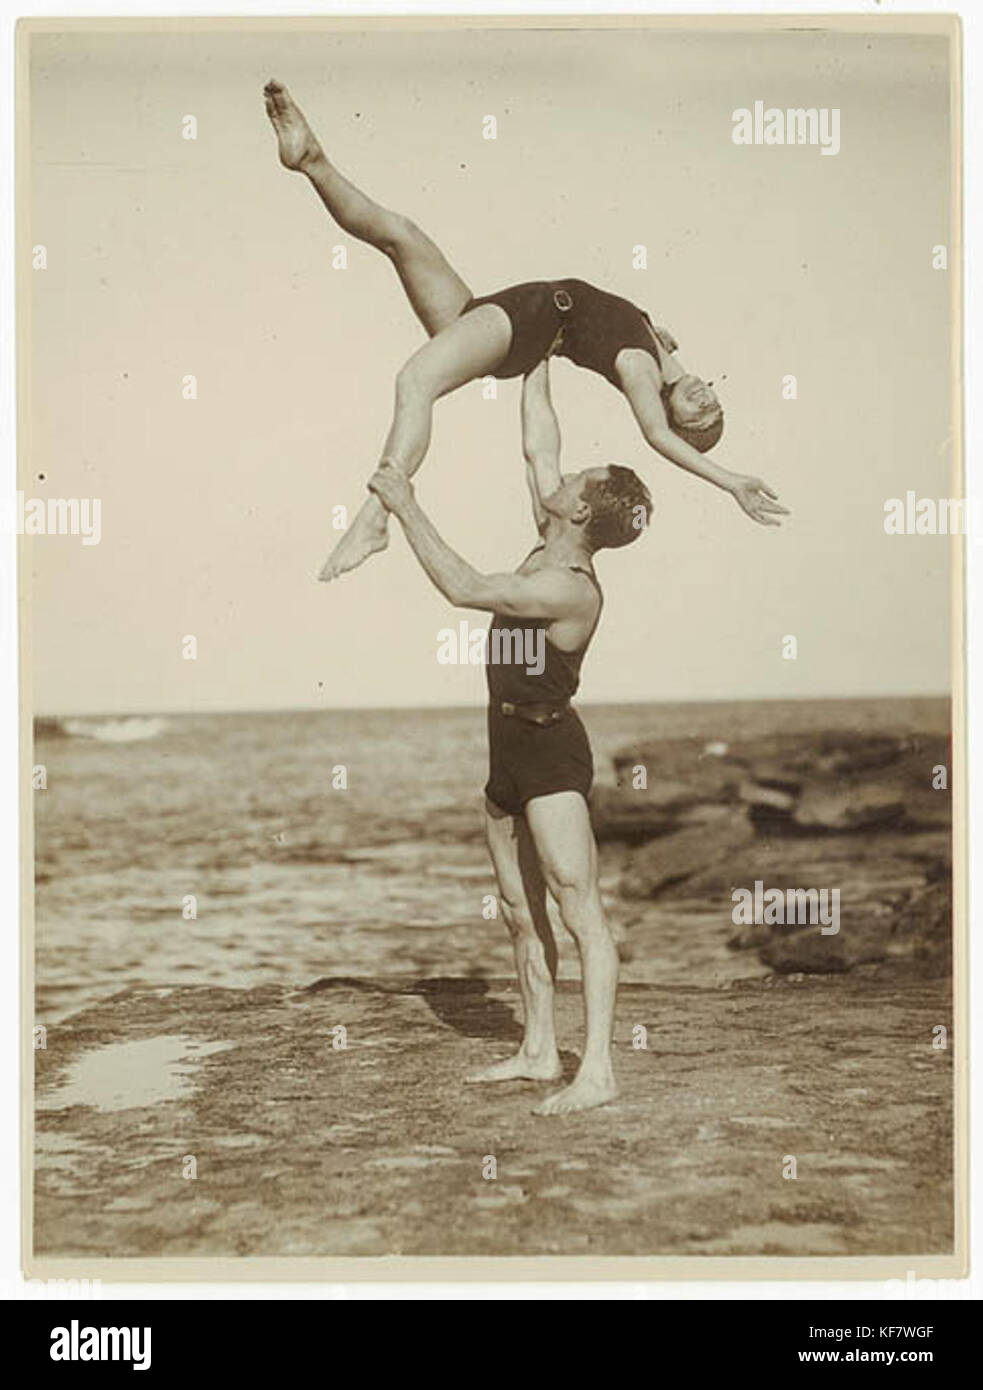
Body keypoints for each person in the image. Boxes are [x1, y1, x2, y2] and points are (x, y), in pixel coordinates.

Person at [263, 80, 787, 581]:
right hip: (509, 312)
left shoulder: (639, 369)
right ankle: (310, 159)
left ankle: (378, 513)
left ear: (672, 414)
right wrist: (651, 331)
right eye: (714, 401)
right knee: (400, 236)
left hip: (528, 322)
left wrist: (731, 481)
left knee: (415, 381)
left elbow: (654, 436)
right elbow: (620, 329)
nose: (703, 396)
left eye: (696, 412)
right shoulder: (653, 343)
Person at [366, 358, 652, 1115]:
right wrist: (537, 357)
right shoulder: (549, 537)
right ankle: (536, 1049)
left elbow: (464, 588)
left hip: (552, 755)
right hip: (506, 753)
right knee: (520, 912)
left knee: (575, 906)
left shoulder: (567, 586)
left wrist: (405, 503)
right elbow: (538, 445)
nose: (559, 478)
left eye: (577, 478)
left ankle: (596, 1072)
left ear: (584, 511)